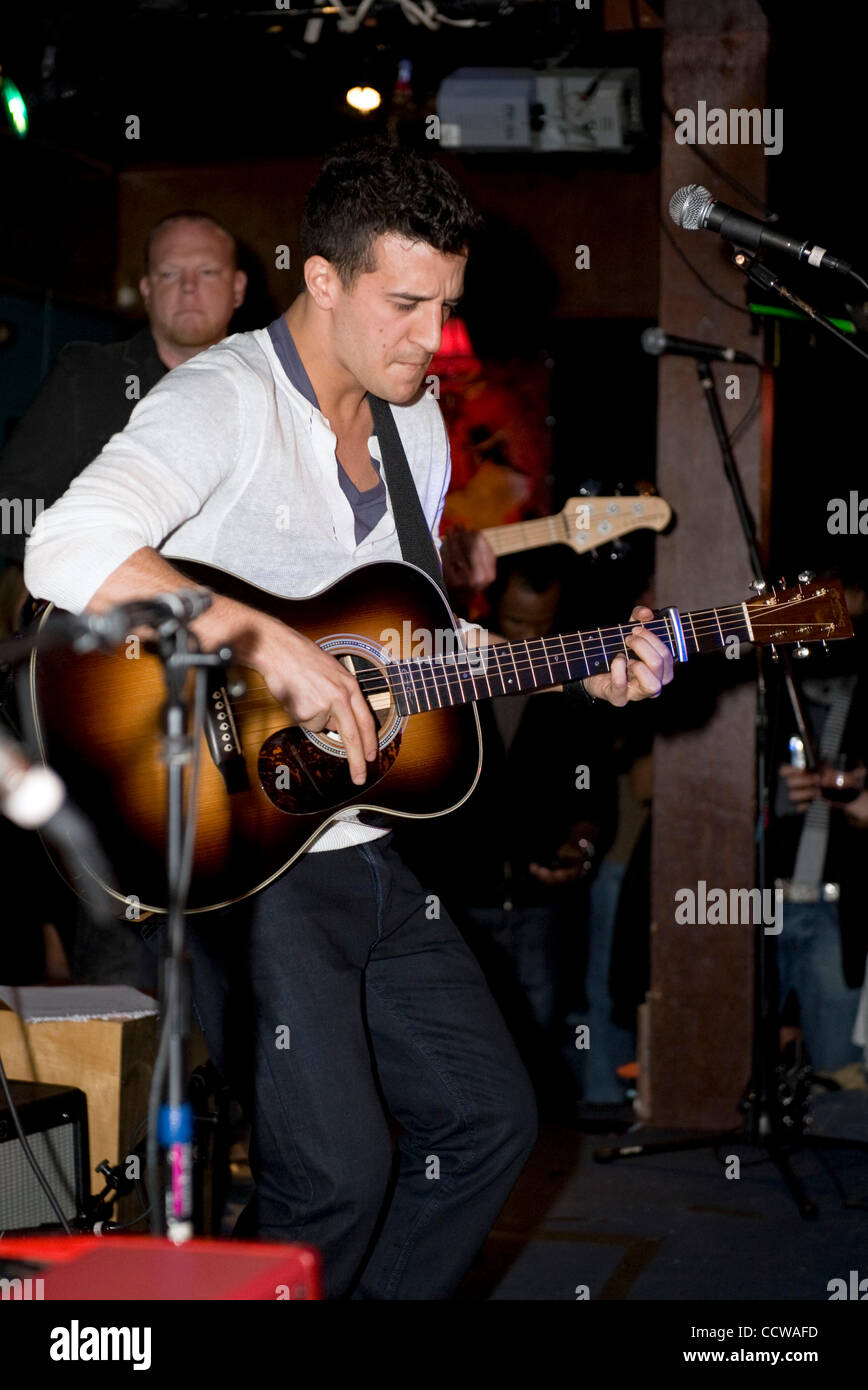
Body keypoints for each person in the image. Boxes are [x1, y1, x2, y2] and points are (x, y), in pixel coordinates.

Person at [23, 141, 673, 1299]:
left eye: (449, 306)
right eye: (406, 303)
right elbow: (62, 546)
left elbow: (416, 645)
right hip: (245, 840)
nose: (434, 338)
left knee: (488, 1120)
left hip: (369, 846)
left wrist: (577, 670)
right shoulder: (221, 398)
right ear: (322, 280)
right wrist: (261, 637)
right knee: (338, 1174)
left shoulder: (416, 426)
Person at [0, 211, 247, 987]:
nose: (187, 289)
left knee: (248, 928)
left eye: (206, 273)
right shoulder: (91, 379)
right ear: (145, 289)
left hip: (240, 688)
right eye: (170, 274)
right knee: (128, 923)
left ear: (239, 287)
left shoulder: (268, 388)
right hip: (112, 691)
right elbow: (14, 520)